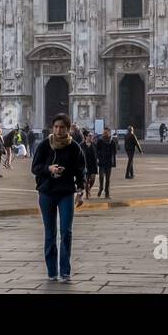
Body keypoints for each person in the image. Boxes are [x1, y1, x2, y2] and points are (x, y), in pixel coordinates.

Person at [31, 113, 87, 283]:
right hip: (47, 193)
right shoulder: (44, 145)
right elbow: (35, 167)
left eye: (62, 127)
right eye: (56, 126)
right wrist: (49, 169)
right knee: (50, 233)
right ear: (52, 127)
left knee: (66, 232)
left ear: (67, 128)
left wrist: (81, 190)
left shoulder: (74, 147)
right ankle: (52, 271)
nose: (58, 130)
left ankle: (65, 271)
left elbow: (80, 170)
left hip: (65, 193)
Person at [95, 126, 116, 198]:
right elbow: (96, 150)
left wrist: (113, 161)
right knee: (101, 177)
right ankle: (101, 188)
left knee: (108, 179)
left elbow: (114, 152)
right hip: (101, 162)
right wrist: (98, 157)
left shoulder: (112, 141)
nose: (105, 133)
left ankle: (107, 193)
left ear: (109, 133)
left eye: (106, 132)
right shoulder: (100, 140)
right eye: (104, 132)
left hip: (109, 162)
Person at [81, 130, 99, 198]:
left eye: (91, 135)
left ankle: (89, 188)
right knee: (86, 180)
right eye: (89, 135)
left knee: (92, 179)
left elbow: (97, 153)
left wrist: (98, 159)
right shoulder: (81, 145)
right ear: (86, 137)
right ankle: (87, 194)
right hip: (85, 165)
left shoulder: (94, 144)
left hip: (93, 164)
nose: (91, 137)